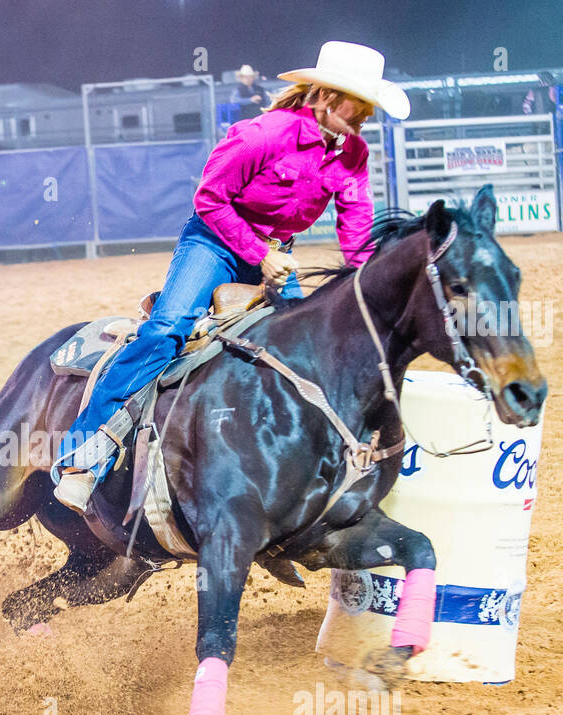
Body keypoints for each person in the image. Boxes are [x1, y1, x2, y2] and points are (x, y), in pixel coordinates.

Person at [52, 41, 410, 513]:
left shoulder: (353, 155)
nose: (366, 116)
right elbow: (210, 199)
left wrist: (372, 283)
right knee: (167, 330)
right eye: (359, 105)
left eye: (370, 108)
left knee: (308, 352)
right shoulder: (262, 134)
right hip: (214, 244)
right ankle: (84, 458)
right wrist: (259, 253)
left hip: (275, 256)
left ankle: (294, 490)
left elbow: (357, 231)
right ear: (324, 96)